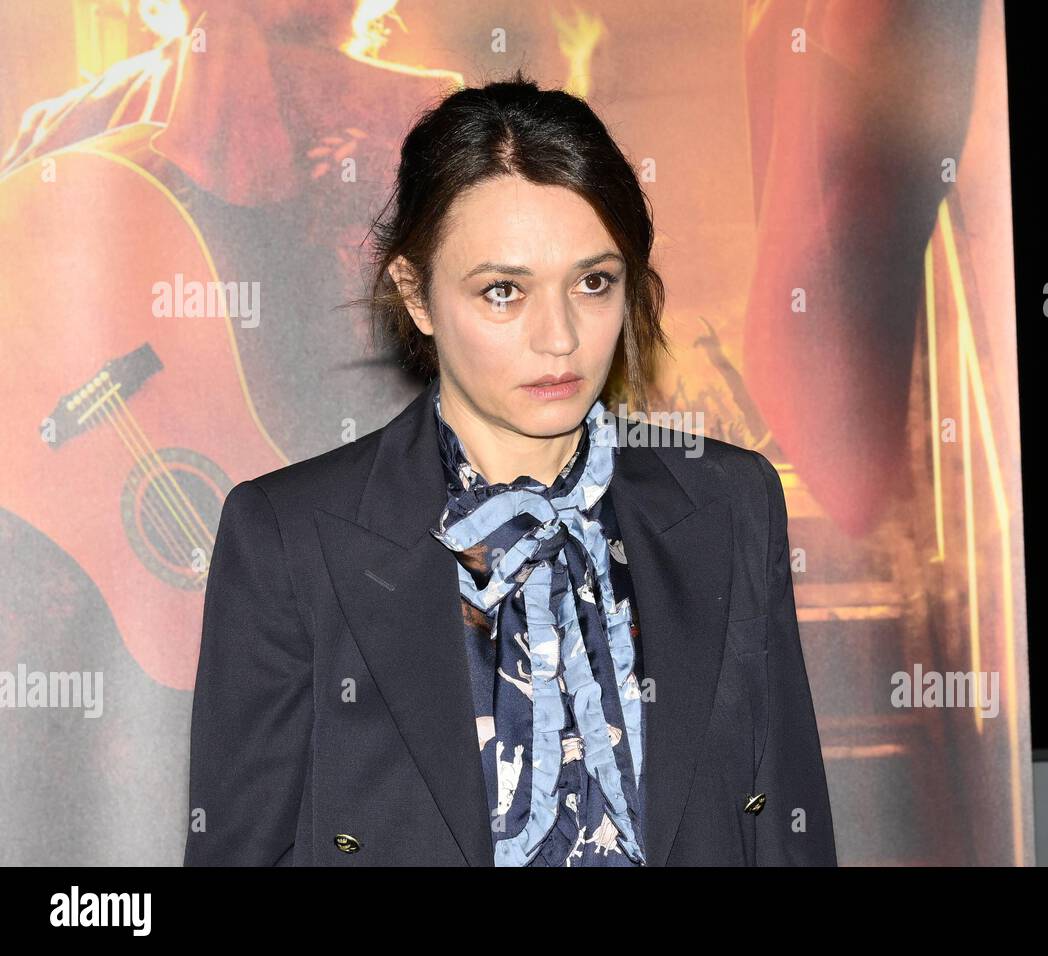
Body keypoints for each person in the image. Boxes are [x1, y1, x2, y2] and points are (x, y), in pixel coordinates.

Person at [183, 70, 836, 867]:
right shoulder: (290, 538)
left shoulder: (731, 502)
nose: (558, 337)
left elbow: (787, 831)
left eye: (593, 283)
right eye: (503, 292)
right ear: (415, 294)